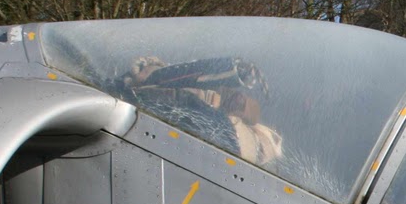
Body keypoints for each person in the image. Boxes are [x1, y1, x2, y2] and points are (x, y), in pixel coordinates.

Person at [121, 56, 284, 168]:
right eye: (240, 98)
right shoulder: (219, 117)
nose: (239, 99)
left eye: (241, 104)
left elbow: (171, 97)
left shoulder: (226, 129)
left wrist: (149, 80)